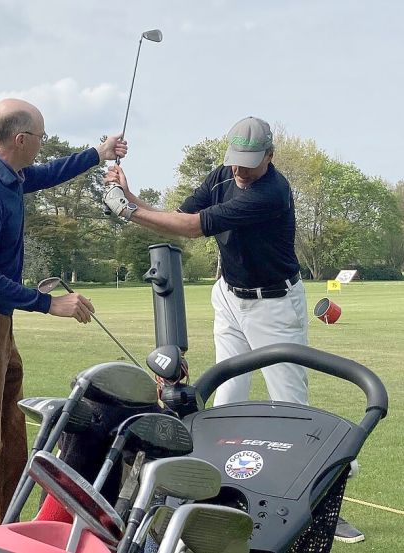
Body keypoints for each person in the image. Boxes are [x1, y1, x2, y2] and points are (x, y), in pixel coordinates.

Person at [102, 116, 364, 543]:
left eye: (250, 163)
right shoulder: (221, 176)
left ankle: (323, 510)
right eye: (236, 161)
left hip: (274, 306)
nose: (240, 171)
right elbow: (179, 215)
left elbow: (191, 227)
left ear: (270, 157)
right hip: (230, 296)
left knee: (292, 407)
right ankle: (221, 498)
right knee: (226, 400)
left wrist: (128, 211)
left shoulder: (271, 193)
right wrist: (128, 195)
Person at [0, 97, 127, 528]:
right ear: (20, 139)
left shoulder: (10, 177)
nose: (42, 145)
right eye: (39, 137)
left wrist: (99, 154)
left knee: (8, 437)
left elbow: (48, 173)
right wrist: (49, 304)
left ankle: (5, 530)